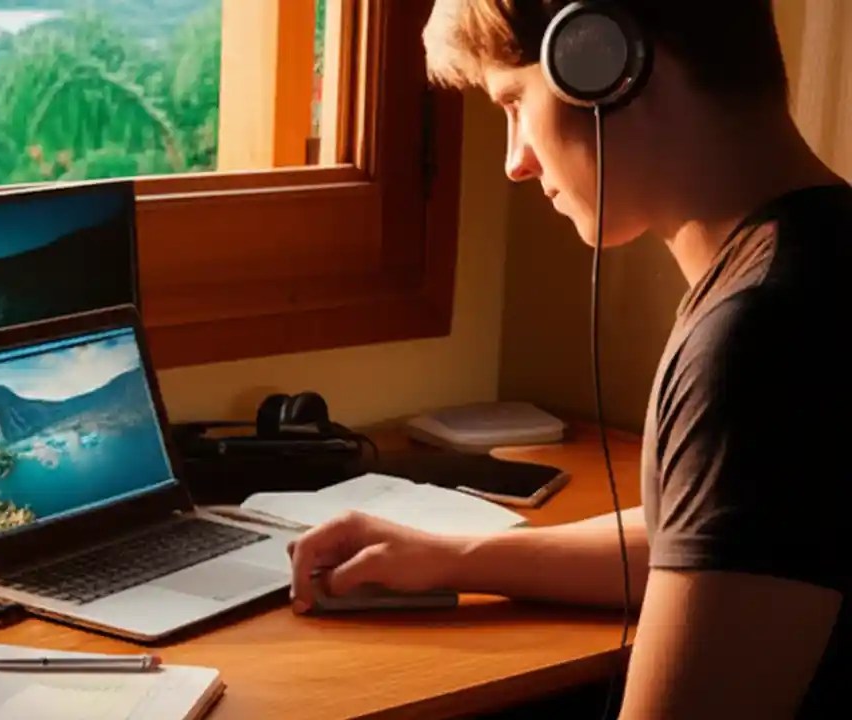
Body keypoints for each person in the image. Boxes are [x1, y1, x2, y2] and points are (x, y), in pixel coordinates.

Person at [287, 1, 849, 718]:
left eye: (515, 101)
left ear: (604, 61)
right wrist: (452, 557)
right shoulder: (820, 261)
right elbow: (726, 544)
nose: (515, 161)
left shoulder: (760, 336)